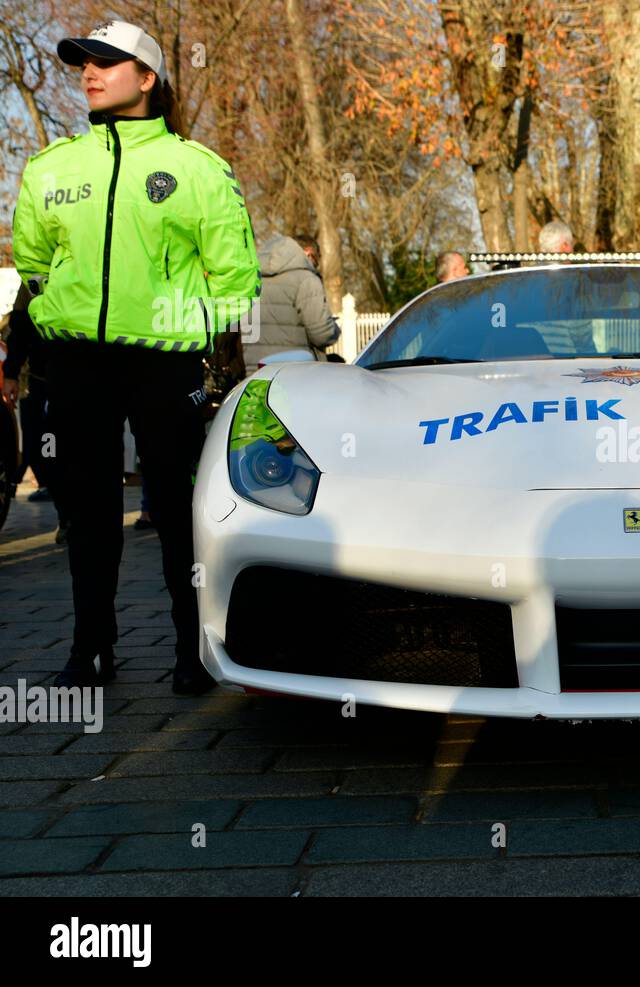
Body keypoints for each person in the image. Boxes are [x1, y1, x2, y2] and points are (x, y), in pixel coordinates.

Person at [12, 20, 261, 692]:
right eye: (81, 63)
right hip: (74, 366)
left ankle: (191, 649)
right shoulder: (50, 167)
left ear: (147, 77)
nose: (88, 72)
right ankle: (91, 649)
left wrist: (174, 330)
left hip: (163, 366)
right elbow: (33, 264)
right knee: (88, 515)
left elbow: (235, 282)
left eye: (105, 62)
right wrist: (50, 318)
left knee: (177, 512)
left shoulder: (197, 169)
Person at [1, 284, 69, 542]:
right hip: (41, 383)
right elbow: (19, 326)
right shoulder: (33, 277)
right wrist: (11, 373)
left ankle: (79, 514)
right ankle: (66, 514)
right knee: (45, 451)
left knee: (78, 452)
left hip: (79, 381)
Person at [241, 232, 339, 371]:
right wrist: (334, 329)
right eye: (316, 260)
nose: (315, 266)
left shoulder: (249, 280)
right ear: (308, 253)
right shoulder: (306, 279)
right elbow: (321, 334)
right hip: (294, 373)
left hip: (254, 373)